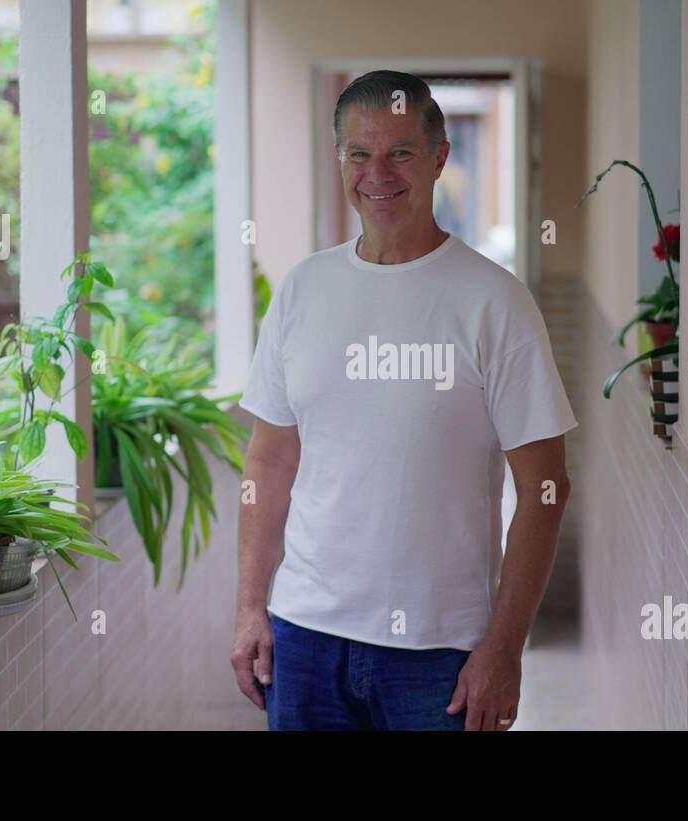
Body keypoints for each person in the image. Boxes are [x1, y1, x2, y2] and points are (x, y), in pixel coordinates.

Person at [231, 70, 577, 731]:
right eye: (359, 153)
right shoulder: (302, 292)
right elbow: (269, 463)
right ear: (340, 161)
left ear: (440, 157)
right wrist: (251, 607)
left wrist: (504, 647)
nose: (378, 173)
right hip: (305, 636)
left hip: (439, 652)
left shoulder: (493, 301)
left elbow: (547, 487)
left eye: (400, 152)